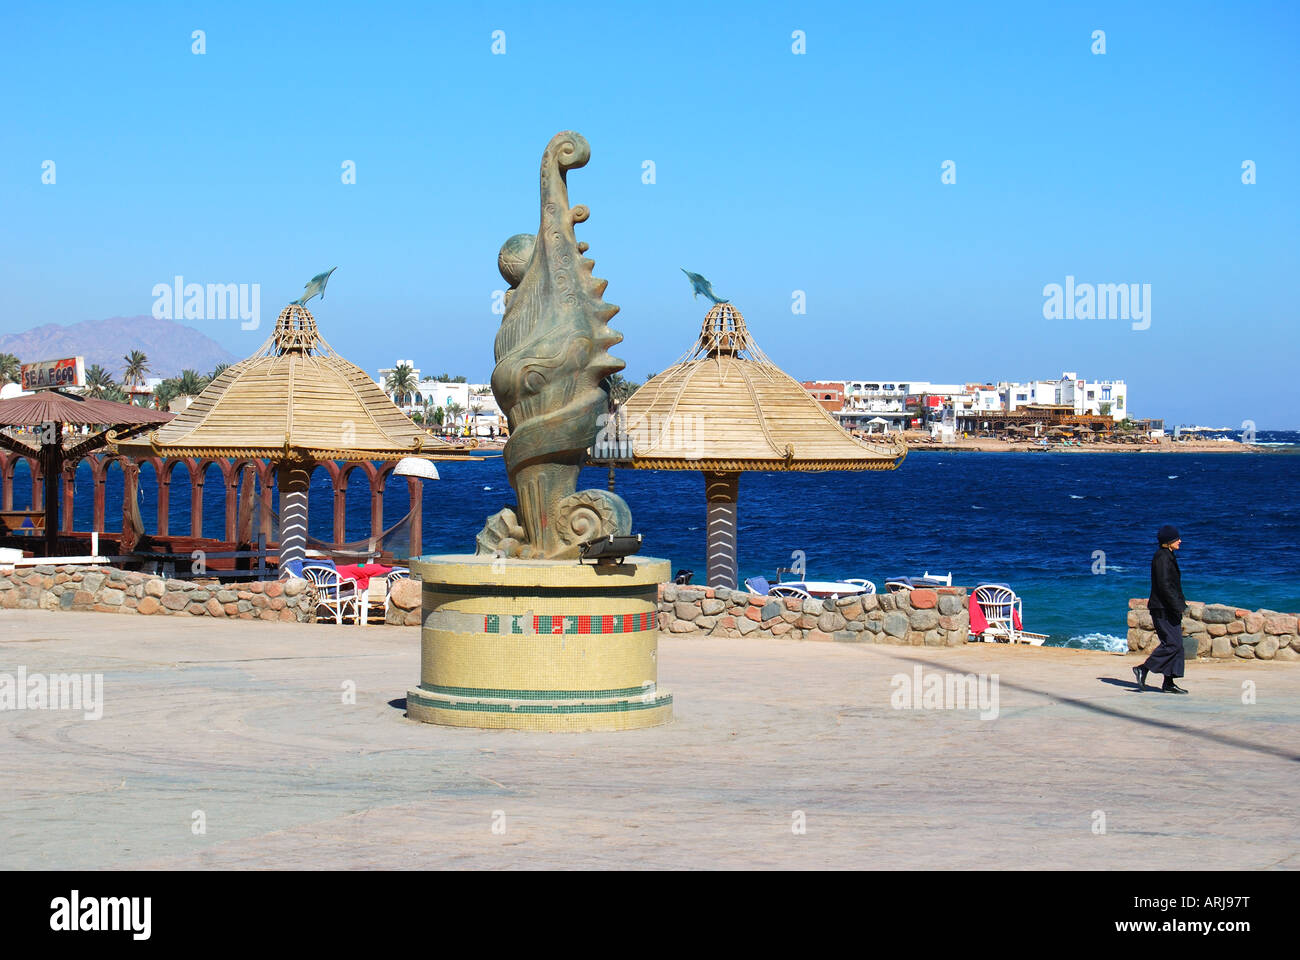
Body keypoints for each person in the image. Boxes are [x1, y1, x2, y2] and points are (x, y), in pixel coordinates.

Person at [1134, 525, 1188, 694]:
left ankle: (1169, 682)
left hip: (1169, 607)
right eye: (1177, 538)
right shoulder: (1162, 558)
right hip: (1162, 608)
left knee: (1177, 645)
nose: (1180, 541)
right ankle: (1143, 668)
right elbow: (1165, 586)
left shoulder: (1168, 556)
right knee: (1171, 644)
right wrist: (1178, 606)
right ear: (1169, 542)